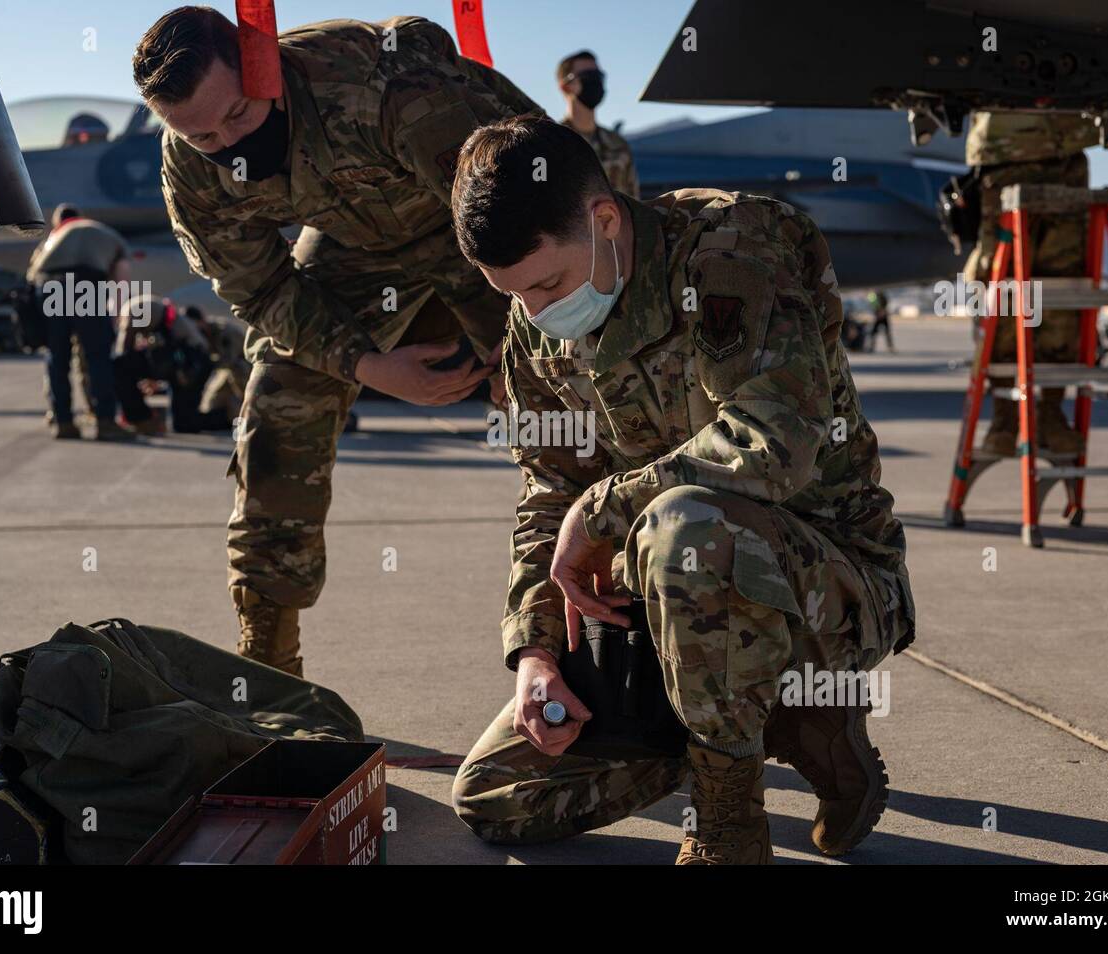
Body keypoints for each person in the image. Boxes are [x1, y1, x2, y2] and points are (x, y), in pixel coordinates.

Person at [448, 117, 915, 864]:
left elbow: (775, 441)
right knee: (499, 797)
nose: (537, 317)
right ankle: (791, 720)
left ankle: (728, 825)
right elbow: (546, 492)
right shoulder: (533, 323)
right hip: (672, 615)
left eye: (547, 286)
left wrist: (603, 507)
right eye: (515, 296)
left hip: (829, 583)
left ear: (604, 220)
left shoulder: (731, 253)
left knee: (680, 526)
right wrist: (535, 656)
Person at [133, 7, 539, 675]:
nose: (227, 143)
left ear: (259, 62)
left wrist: (514, 346)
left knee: (560, 407)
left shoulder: (381, 87)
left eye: (237, 115)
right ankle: (268, 664)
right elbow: (262, 292)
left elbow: (527, 218)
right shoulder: (192, 162)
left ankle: (596, 630)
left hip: (491, 226)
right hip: (361, 245)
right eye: (201, 133)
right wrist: (369, 365)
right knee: (279, 396)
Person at [965, 111, 1099, 456]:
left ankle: (1051, 416)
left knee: (1063, 299)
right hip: (1003, 155)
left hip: (1065, 154)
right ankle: (1005, 420)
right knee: (1001, 298)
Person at [26, 203, 135, 441]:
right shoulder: (100, 231)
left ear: (57, 223)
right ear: (81, 218)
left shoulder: (52, 239)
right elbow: (122, 275)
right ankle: (105, 422)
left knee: (57, 358)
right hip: (87, 286)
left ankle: (63, 422)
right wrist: (117, 315)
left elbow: (32, 276)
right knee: (98, 357)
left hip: (50, 288)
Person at [112, 294, 231, 435]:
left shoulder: (130, 310)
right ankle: (226, 417)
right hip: (191, 362)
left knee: (118, 366)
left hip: (191, 362)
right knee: (182, 423)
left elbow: (123, 351)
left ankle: (141, 418)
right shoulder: (150, 307)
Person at [556, 50, 638, 197]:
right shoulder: (552, 143)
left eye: (599, 76)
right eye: (587, 76)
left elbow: (635, 204)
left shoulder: (618, 144)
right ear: (566, 87)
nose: (596, 82)